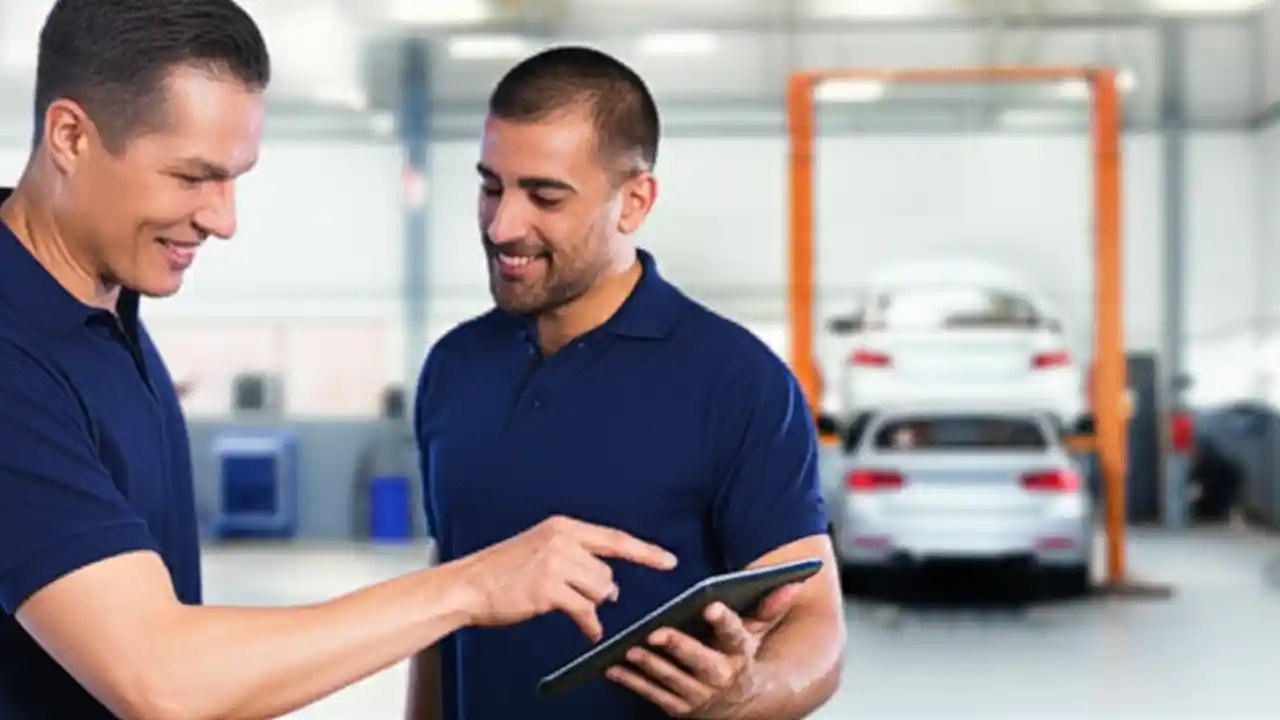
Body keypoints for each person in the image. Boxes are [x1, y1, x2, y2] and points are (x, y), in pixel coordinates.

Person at [0, 3, 679, 719]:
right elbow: (161, 678)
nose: (223, 219)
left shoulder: (101, 311)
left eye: (233, 178)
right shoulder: (13, 351)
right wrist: (471, 586)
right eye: (191, 177)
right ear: (70, 136)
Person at [408, 46, 847, 720]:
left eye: (544, 196)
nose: (502, 225)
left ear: (634, 201)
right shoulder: (454, 366)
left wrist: (748, 696)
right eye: (491, 187)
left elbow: (815, 622)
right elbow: (447, 595)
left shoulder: (738, 383)